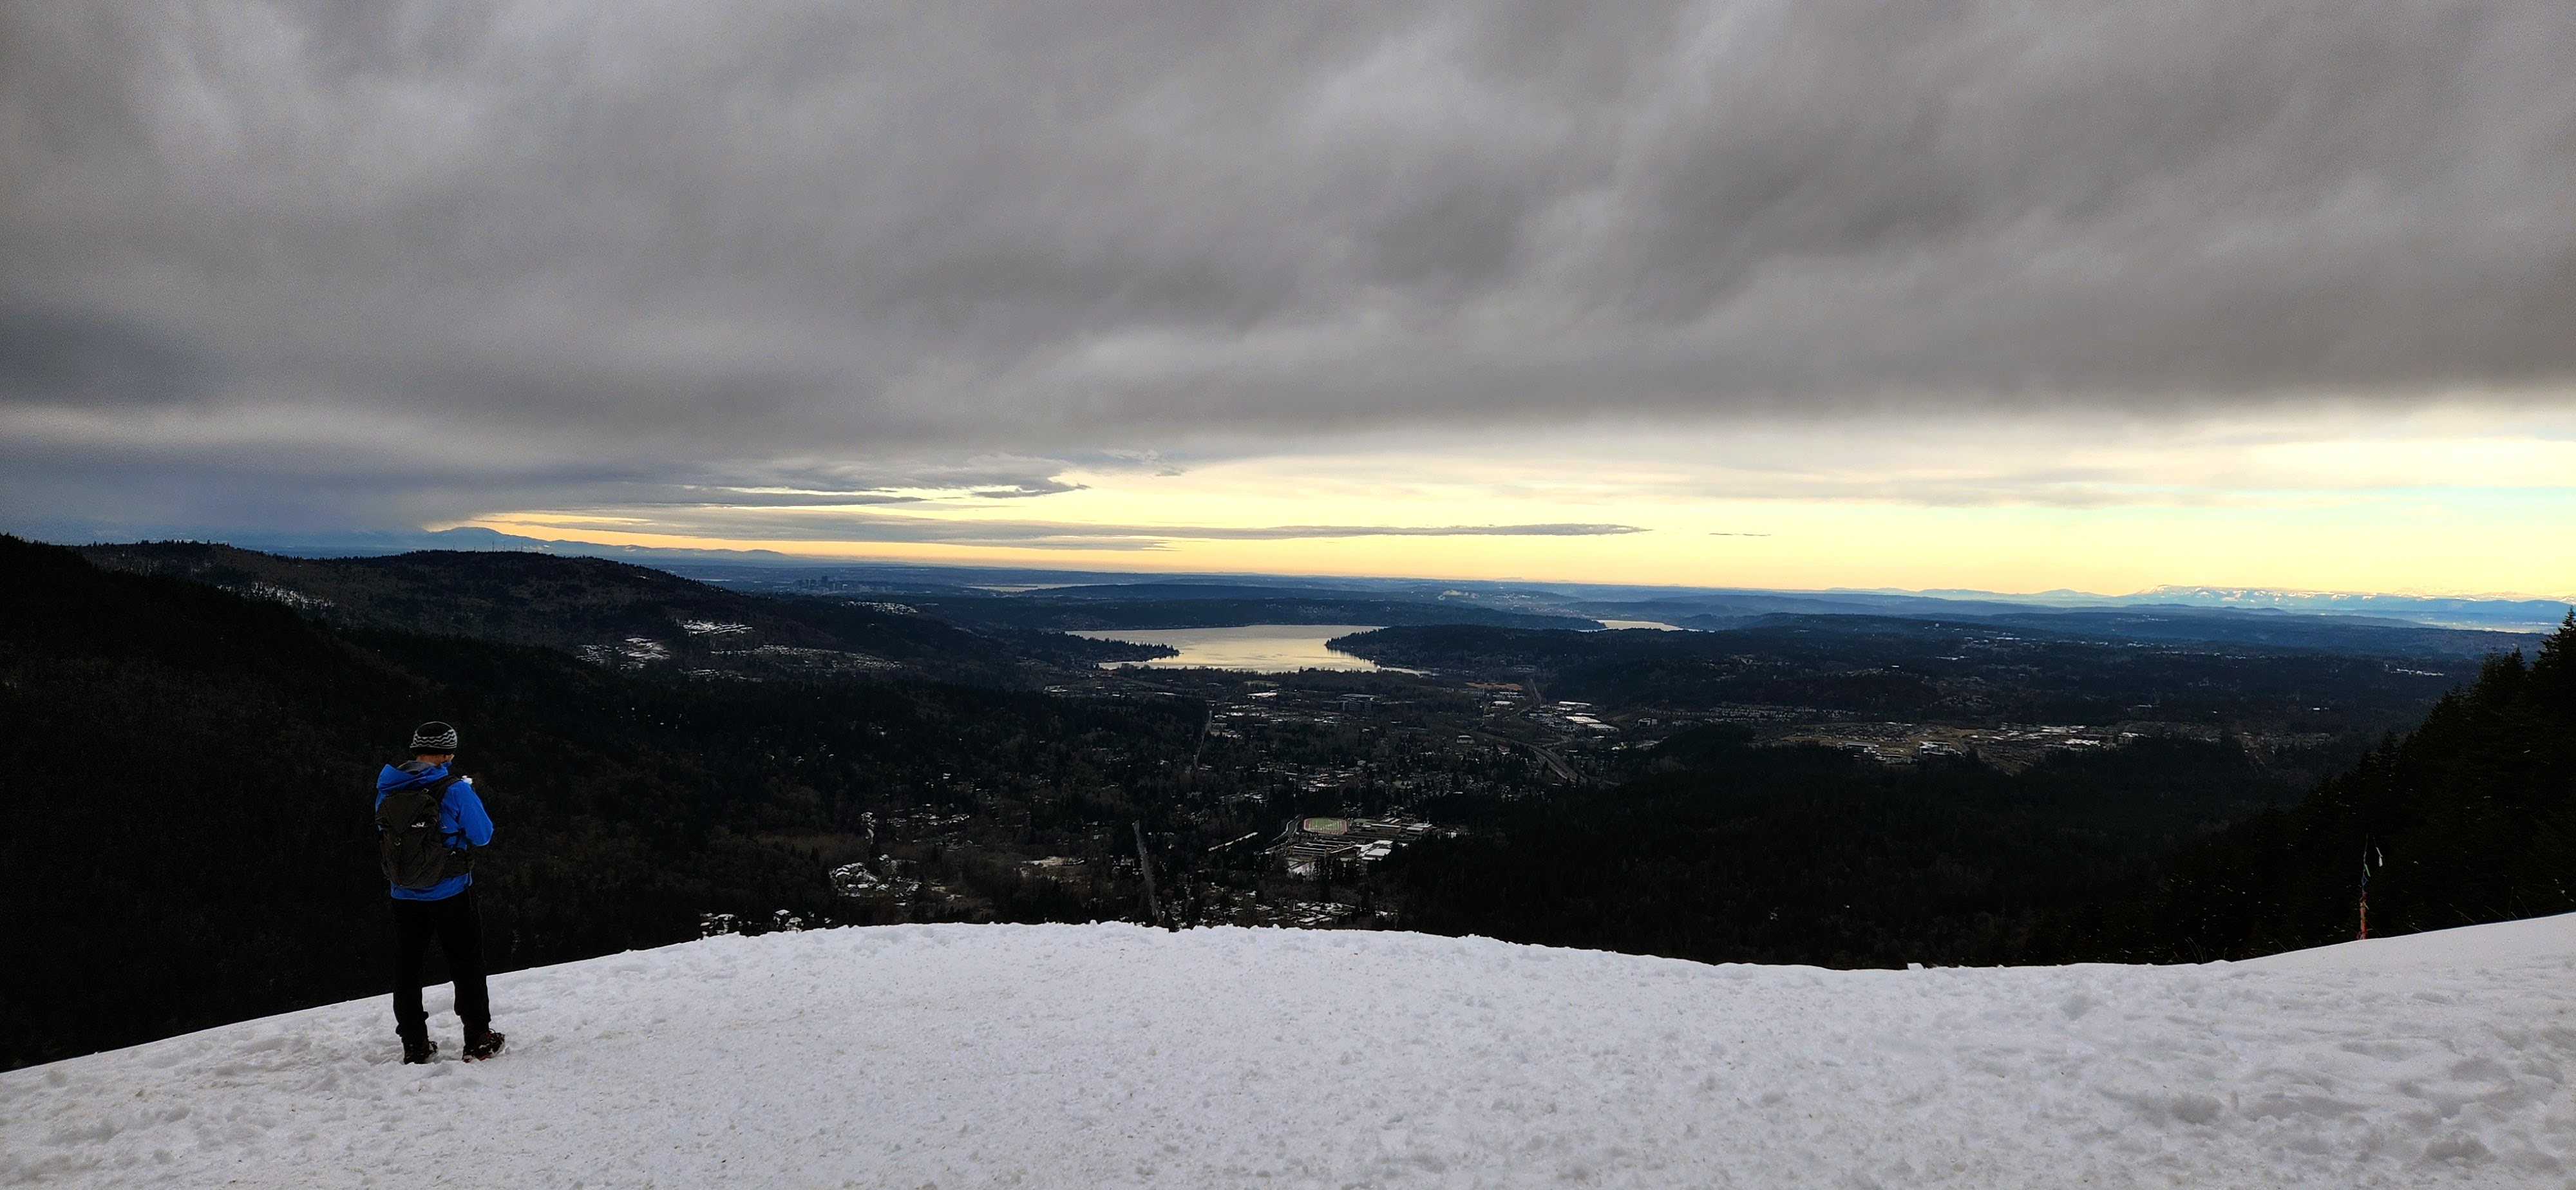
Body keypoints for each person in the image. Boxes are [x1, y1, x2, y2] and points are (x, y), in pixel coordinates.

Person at [375, 721, 504, 1063]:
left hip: (403, 894)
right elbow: (482, 835)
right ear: (449, 752)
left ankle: (415, 1044)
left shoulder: (388, 787)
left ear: (415, 749)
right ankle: (478, 1038)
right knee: (466, 964)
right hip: (451, 892)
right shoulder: (455, 790)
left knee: (408, 967)